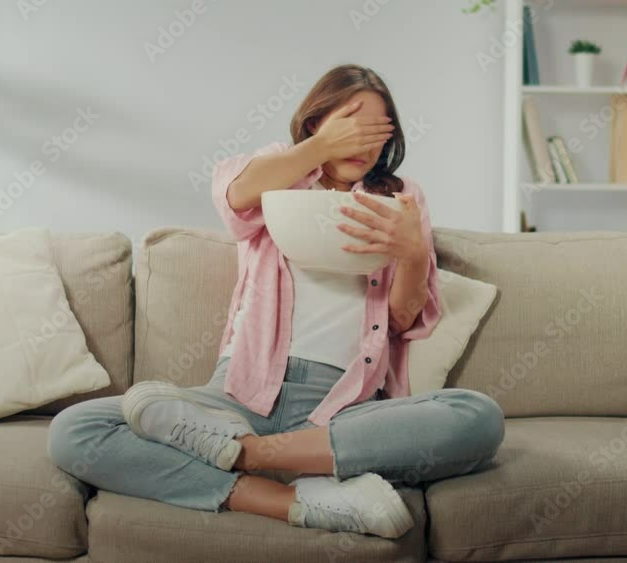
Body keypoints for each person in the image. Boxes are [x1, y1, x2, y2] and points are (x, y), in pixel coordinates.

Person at [48, 64, 505, 539]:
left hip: (341, 406)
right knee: (75, 431)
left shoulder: (401, 197)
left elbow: (402, 317)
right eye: (351, 123)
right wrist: (323, 149)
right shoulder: (277, 176)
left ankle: (246, 454)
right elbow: (235, 195)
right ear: (315, 122)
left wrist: (412, 253)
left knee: (478, 419)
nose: (365, 144)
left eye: (378, 132)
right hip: (236, 396)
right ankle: (286, 498)